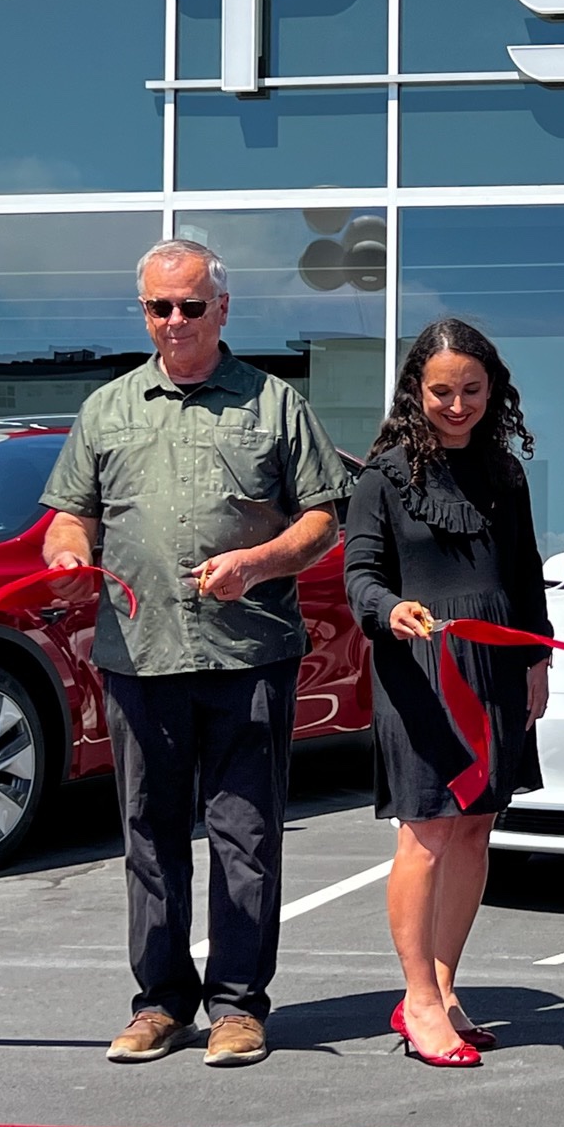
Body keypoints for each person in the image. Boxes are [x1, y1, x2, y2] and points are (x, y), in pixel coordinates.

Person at [40, 238, 353, 1068]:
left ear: (223, 309)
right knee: (148, 832)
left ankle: (240, 1006)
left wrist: (257, 564)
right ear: (142, 310)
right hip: (139, 656)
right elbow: (71, 514)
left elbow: (325, 516)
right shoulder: (107, 408)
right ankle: (160, 1004)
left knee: (245, 837)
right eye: (158, 307)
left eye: (189, 305)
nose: (173, 321)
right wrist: (67, 555)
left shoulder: (274, 403)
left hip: (248, 655)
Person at [342, 319, 552, 1068]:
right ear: (414, 392)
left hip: (495, 666)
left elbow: (524, 572)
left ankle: (444, 985)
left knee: (475, 826)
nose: (457, 405)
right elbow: (360, 572)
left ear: (493, 389)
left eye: (471, 390)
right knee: (427, 829)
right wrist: (386, 609)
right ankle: (417, 1001)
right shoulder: (385, 474)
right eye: (441, 392)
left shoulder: (506, 473)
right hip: (421, 670)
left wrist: (536, 657)